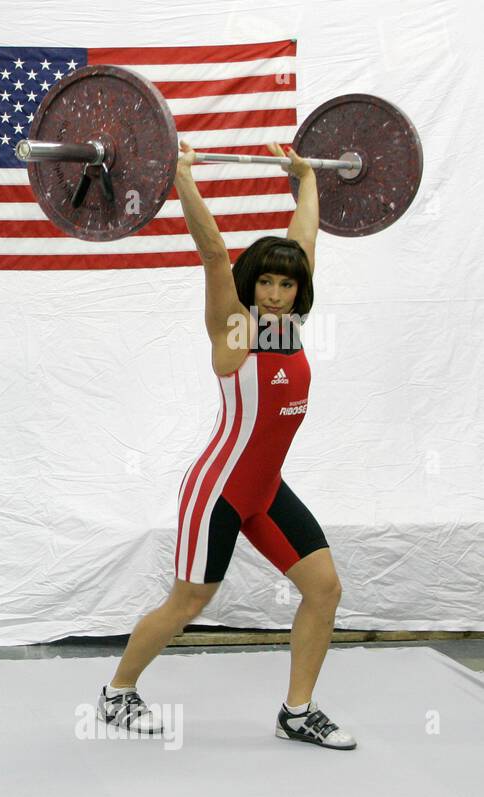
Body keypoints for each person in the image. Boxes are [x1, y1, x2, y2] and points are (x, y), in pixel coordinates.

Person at [96, 140, 356, 751]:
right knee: (189, 601)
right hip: (218, 491)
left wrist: (306, 178)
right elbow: (213, 252)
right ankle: (117, 694)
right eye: (263, 281)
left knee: (325, 589)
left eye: (284, 285)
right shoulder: (234, 333)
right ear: (249, 285)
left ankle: (297, 712)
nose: (273, 293)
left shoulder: (289, 328)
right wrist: (180, 176)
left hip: (265, 491)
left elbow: (305, 245)